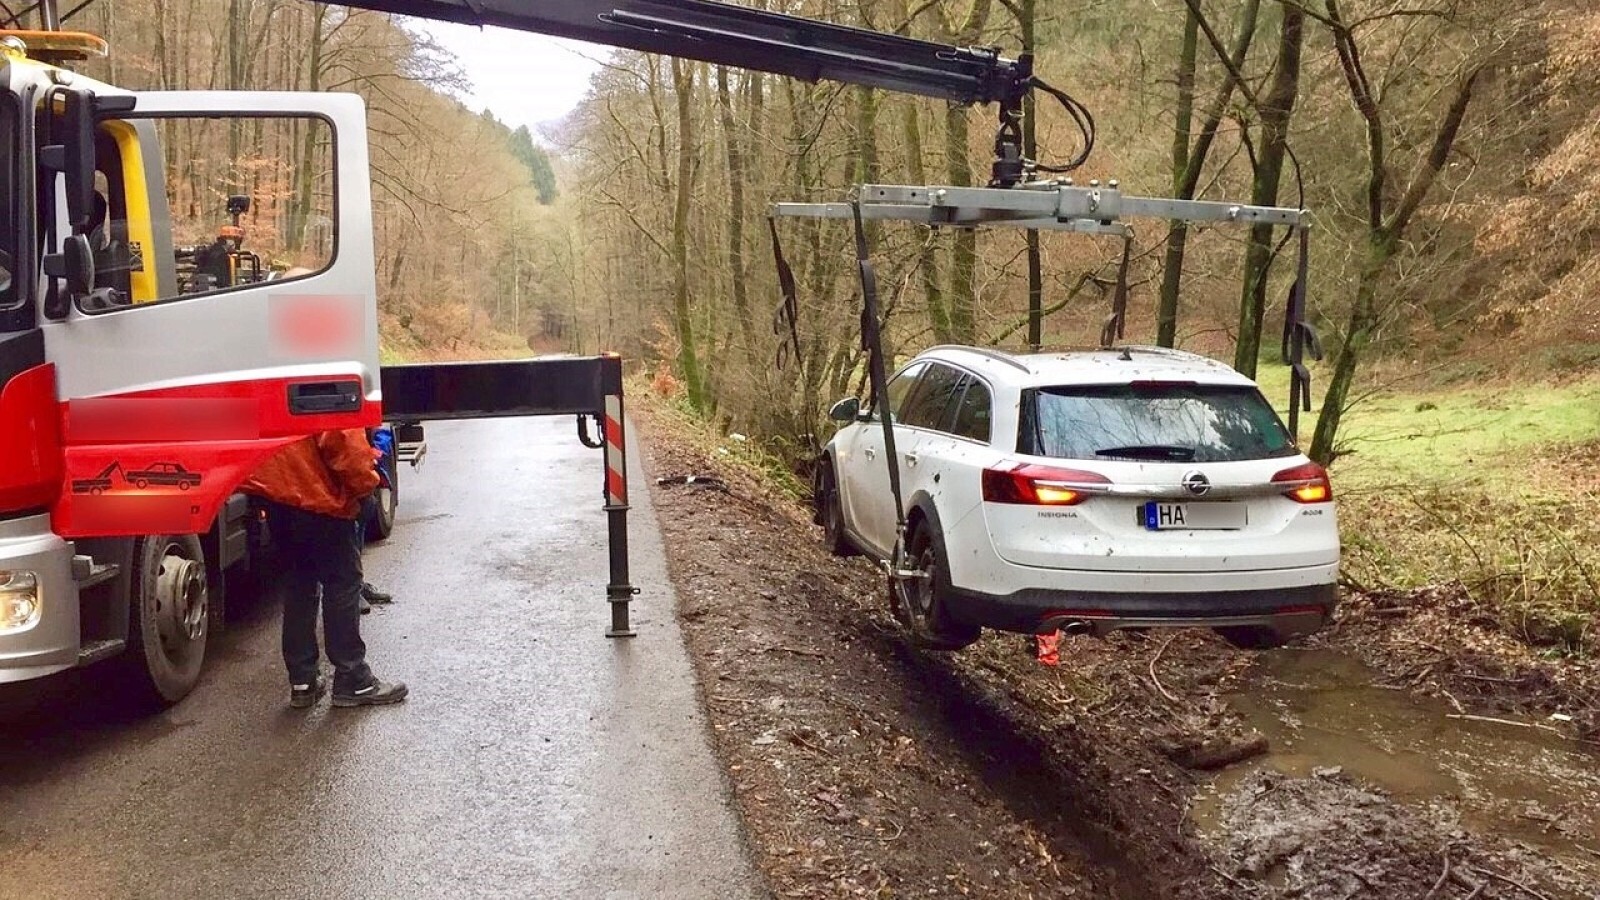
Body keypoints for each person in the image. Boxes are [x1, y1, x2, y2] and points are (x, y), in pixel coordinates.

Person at [242, 428, 408, 709]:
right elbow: (343, 439)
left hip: (277, 494)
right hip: (318, 494)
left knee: (300, 582)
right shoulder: (321, 384)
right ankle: (353, 678)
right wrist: (366, 486)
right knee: (343, 581)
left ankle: (303, 681)